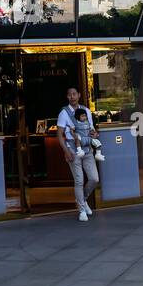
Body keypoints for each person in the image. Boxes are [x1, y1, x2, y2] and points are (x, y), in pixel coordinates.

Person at [57, 86, 100, 222]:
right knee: (79, 180)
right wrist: (66, 151)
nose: (72, 97)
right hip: (73, 149)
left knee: (94, 179)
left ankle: (82, 199)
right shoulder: (64, 113)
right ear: (67, 97)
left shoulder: (86, 111)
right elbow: (59, 134)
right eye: (69, 95)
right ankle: (82, 210)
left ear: (79, 95)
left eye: (74, 94)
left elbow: (91, 130)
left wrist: (94, 133)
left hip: (87, 148)